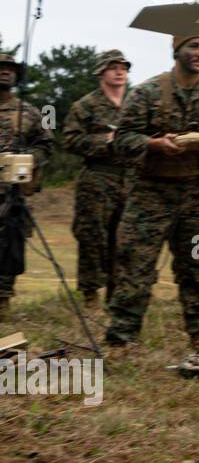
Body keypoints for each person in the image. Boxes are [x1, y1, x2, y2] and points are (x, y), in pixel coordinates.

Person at [104, 34, 199, 367]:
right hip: (150, 195)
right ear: (176, 50)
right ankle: (121, 339)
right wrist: (154, 144)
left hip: (195, 197)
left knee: (196, 268)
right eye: (193, 46)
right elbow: (121, 140)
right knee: (136, 268)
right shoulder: (147, 93)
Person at [62, 49, 133, 312]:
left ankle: (116, 299)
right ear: (101, 72)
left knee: (124, 240)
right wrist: (106, 141)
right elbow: (69, 141)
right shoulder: (85, 106)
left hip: (129, 181)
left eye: (123, 67)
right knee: (92, 238)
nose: (119, 71)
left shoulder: (135, 105)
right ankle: (91, 298)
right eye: (113, 67)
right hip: (96, 179)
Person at [0, 53, 54, 319]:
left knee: (9, 245)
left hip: (11, 192)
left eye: (10, 69)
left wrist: (30, 161)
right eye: (1, 68)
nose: (5, 72)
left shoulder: (32, 111)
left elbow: (47, 144)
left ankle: (3, 302)